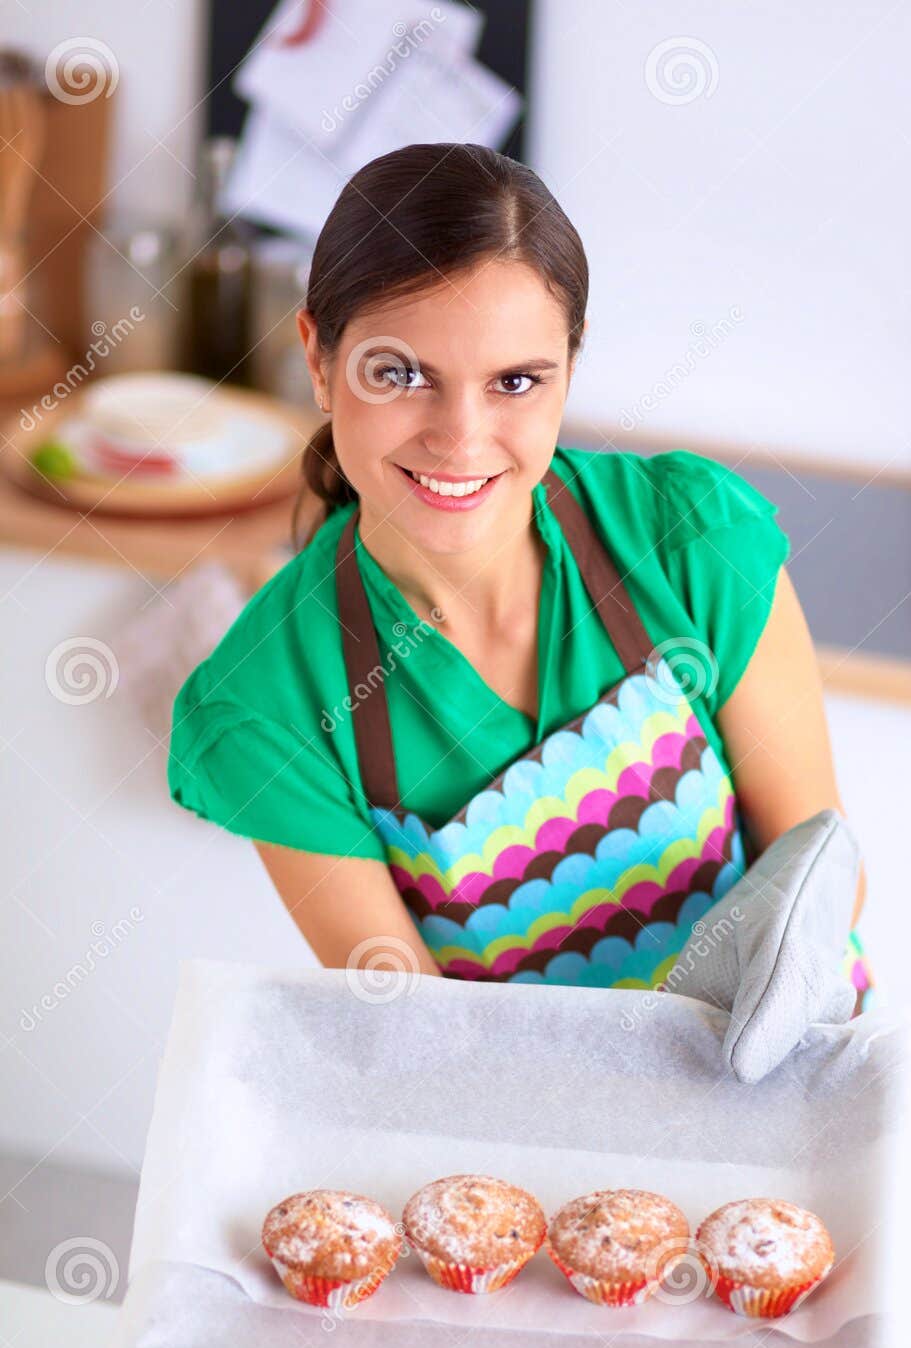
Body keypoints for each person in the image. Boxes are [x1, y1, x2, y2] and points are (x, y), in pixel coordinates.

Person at [169, 141, 870, 1005]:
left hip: (784, 1071)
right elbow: (413, 1029)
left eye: (514, 382)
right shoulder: (267, 701)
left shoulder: (688, 541)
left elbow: (819, 879)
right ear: (317, 360)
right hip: (507, 1128)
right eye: (400, 374)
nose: (461, 439)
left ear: (570, 369)